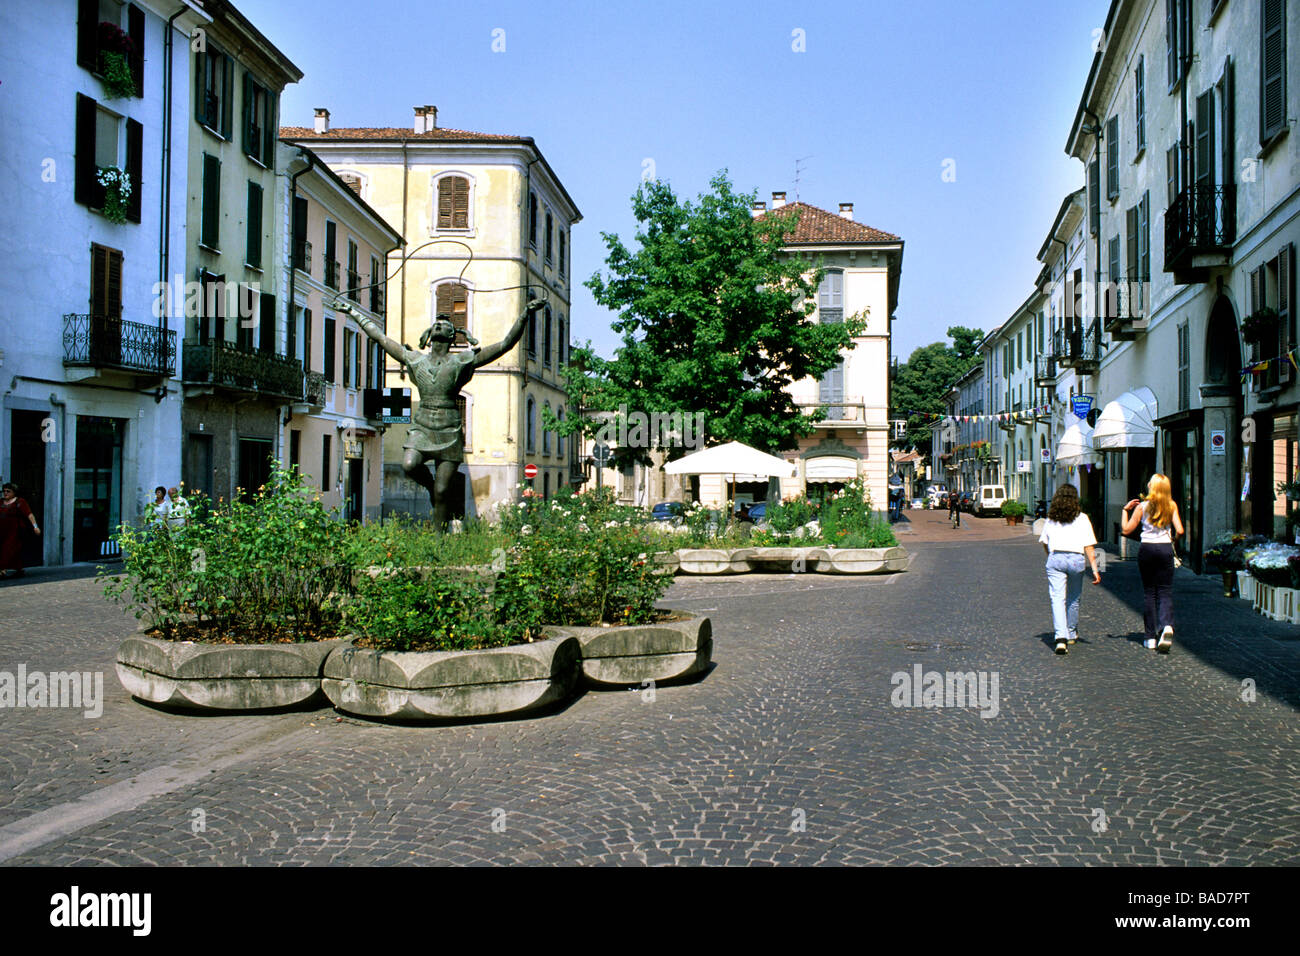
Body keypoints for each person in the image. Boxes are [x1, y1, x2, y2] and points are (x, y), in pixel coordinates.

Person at [337, 296, 546, 529]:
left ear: (451, 336)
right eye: (436, 323)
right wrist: (353, 313)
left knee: (443, 489)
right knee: (409, 464)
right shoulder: (414, 359)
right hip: (423, 424)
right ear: (429, 334)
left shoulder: (462, 362)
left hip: (449, 428)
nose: (440, 323)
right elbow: (380, 338)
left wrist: (525, 313)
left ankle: (439, 538)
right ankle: (429, 486)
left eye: (445, 325)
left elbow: (506, 344)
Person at [1121, 474, 1184, 653]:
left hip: (1147, 548)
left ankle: (1149, 637)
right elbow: (1180, 529)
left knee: (1149, 592)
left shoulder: (1142, 507)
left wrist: (1125, 511)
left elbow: (1126, 530)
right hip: (1165, 548)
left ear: (1152, 487)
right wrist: (1173, 540)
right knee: (1165, 590)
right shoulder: (1171, 506)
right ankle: (1167, 626)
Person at [1038, 482, 1102, 655]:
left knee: (1057, 598)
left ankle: (1060, 638)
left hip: (1056, 557)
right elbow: (1089, 546)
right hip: (1076, 559)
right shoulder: (1082, 518)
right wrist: (1095, 570)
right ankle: (1071, 633)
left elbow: (1045, 542)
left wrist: (1051, 556)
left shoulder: (1051, 518)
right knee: (1074, 598)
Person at [0, 482, 41, 578]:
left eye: (8, 491)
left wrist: (35, 526)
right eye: (4, 491)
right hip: (2, 530)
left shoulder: (20, 502)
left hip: (14, 531)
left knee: (8, 549)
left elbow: (29, 514)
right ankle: (18, 569)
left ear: (14, 492)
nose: (5, 493)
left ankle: (2, 570)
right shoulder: (1, 502)